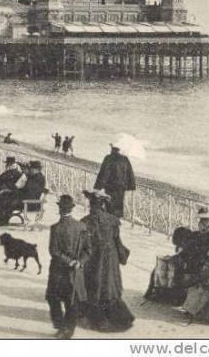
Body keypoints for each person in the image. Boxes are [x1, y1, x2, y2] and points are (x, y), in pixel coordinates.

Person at [80, 190, 135, 332]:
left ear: (91, 205)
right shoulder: (112, 220)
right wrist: (123, 256)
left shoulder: (85, 221)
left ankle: (97, 318)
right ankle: (115, 317)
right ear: (103, 205)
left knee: (94, 286)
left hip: (93, 260)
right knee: (109, 286)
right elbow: (117, 242)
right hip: (110, 260)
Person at [46, 194, 91, 339]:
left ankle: (60, 326)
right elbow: (88, 250)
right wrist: (79, 262)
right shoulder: (81, 226)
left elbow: (54, 251)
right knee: (71, 300)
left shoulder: (55, 228)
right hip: (75, 271)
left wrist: (68, 261)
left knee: (53, 297)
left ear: (59, 209)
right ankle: (68, 330)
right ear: (72, 209)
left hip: (58, 270)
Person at [94, 144, 136, 218]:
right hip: (121, 187)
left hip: (110, 187)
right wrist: (131, 185)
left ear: (112, 150)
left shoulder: (108, 158)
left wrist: (99, 186)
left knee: (109, 205)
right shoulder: (125, 159)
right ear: (119, 150)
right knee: (118, 205)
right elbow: (130, 173)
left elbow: (104, 172)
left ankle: (110, 221)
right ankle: (116, 221)